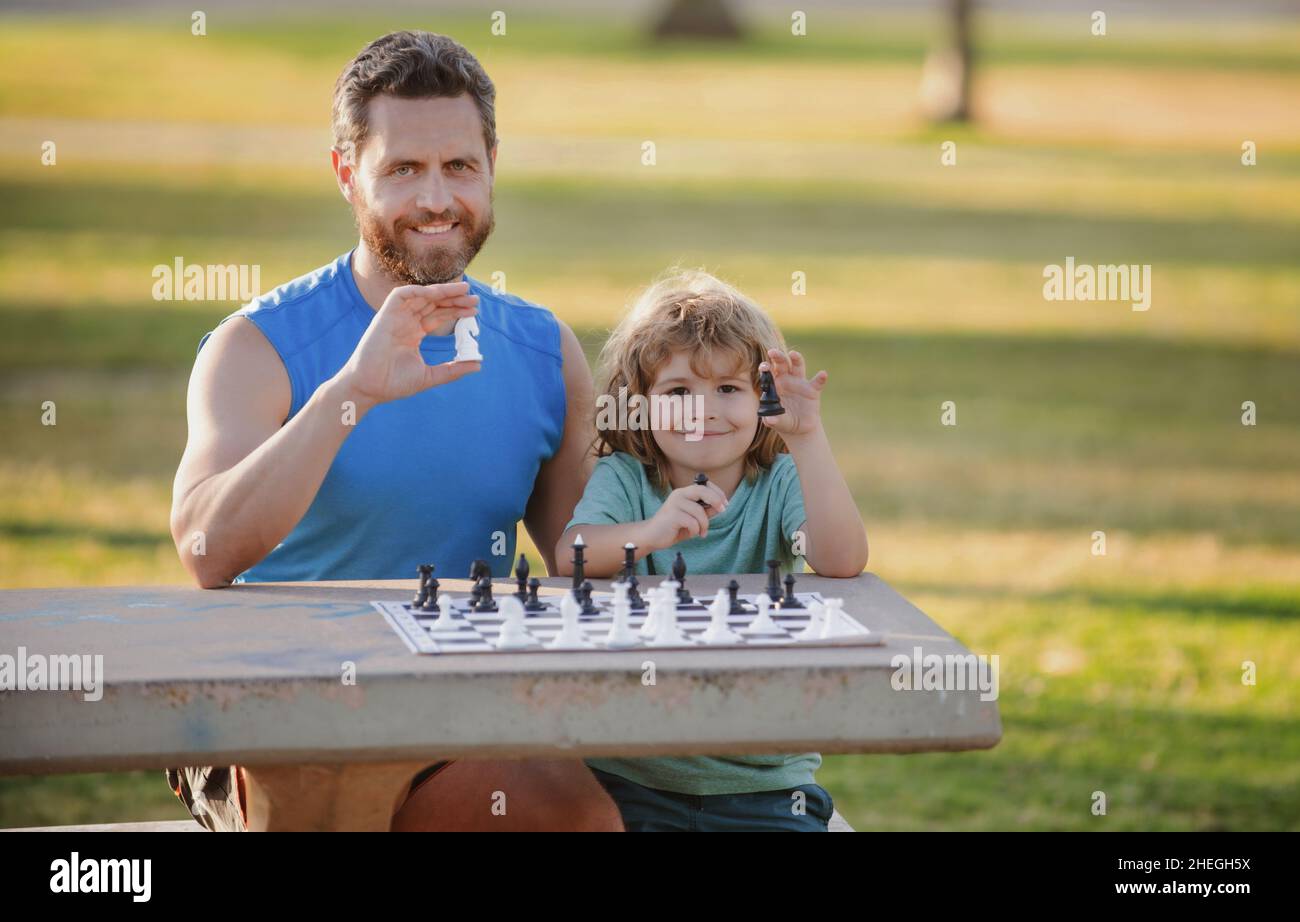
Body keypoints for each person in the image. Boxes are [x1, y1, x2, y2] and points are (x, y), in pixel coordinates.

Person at [166, 30, 619, 831]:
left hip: (457, 702)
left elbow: (592, 563)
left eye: (460, 166)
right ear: (348, 174)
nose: (438, 199)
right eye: (403, 169)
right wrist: (352, 394)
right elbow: (208, 550)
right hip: (275, 701)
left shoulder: (543, 349)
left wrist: (725, 479)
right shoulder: (257, 346)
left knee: (574, 819)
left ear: (491, 166)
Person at [556, 268, 869, 831]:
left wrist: (807, 439)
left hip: (763, 781)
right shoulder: (628, 479)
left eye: (728, 389)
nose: (704, 409)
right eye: (678, 391)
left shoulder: (778, 479)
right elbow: (571, 554)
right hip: (632, 776)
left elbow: (842, 560)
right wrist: (649, 531)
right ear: (640, 404)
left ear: (762, 399)